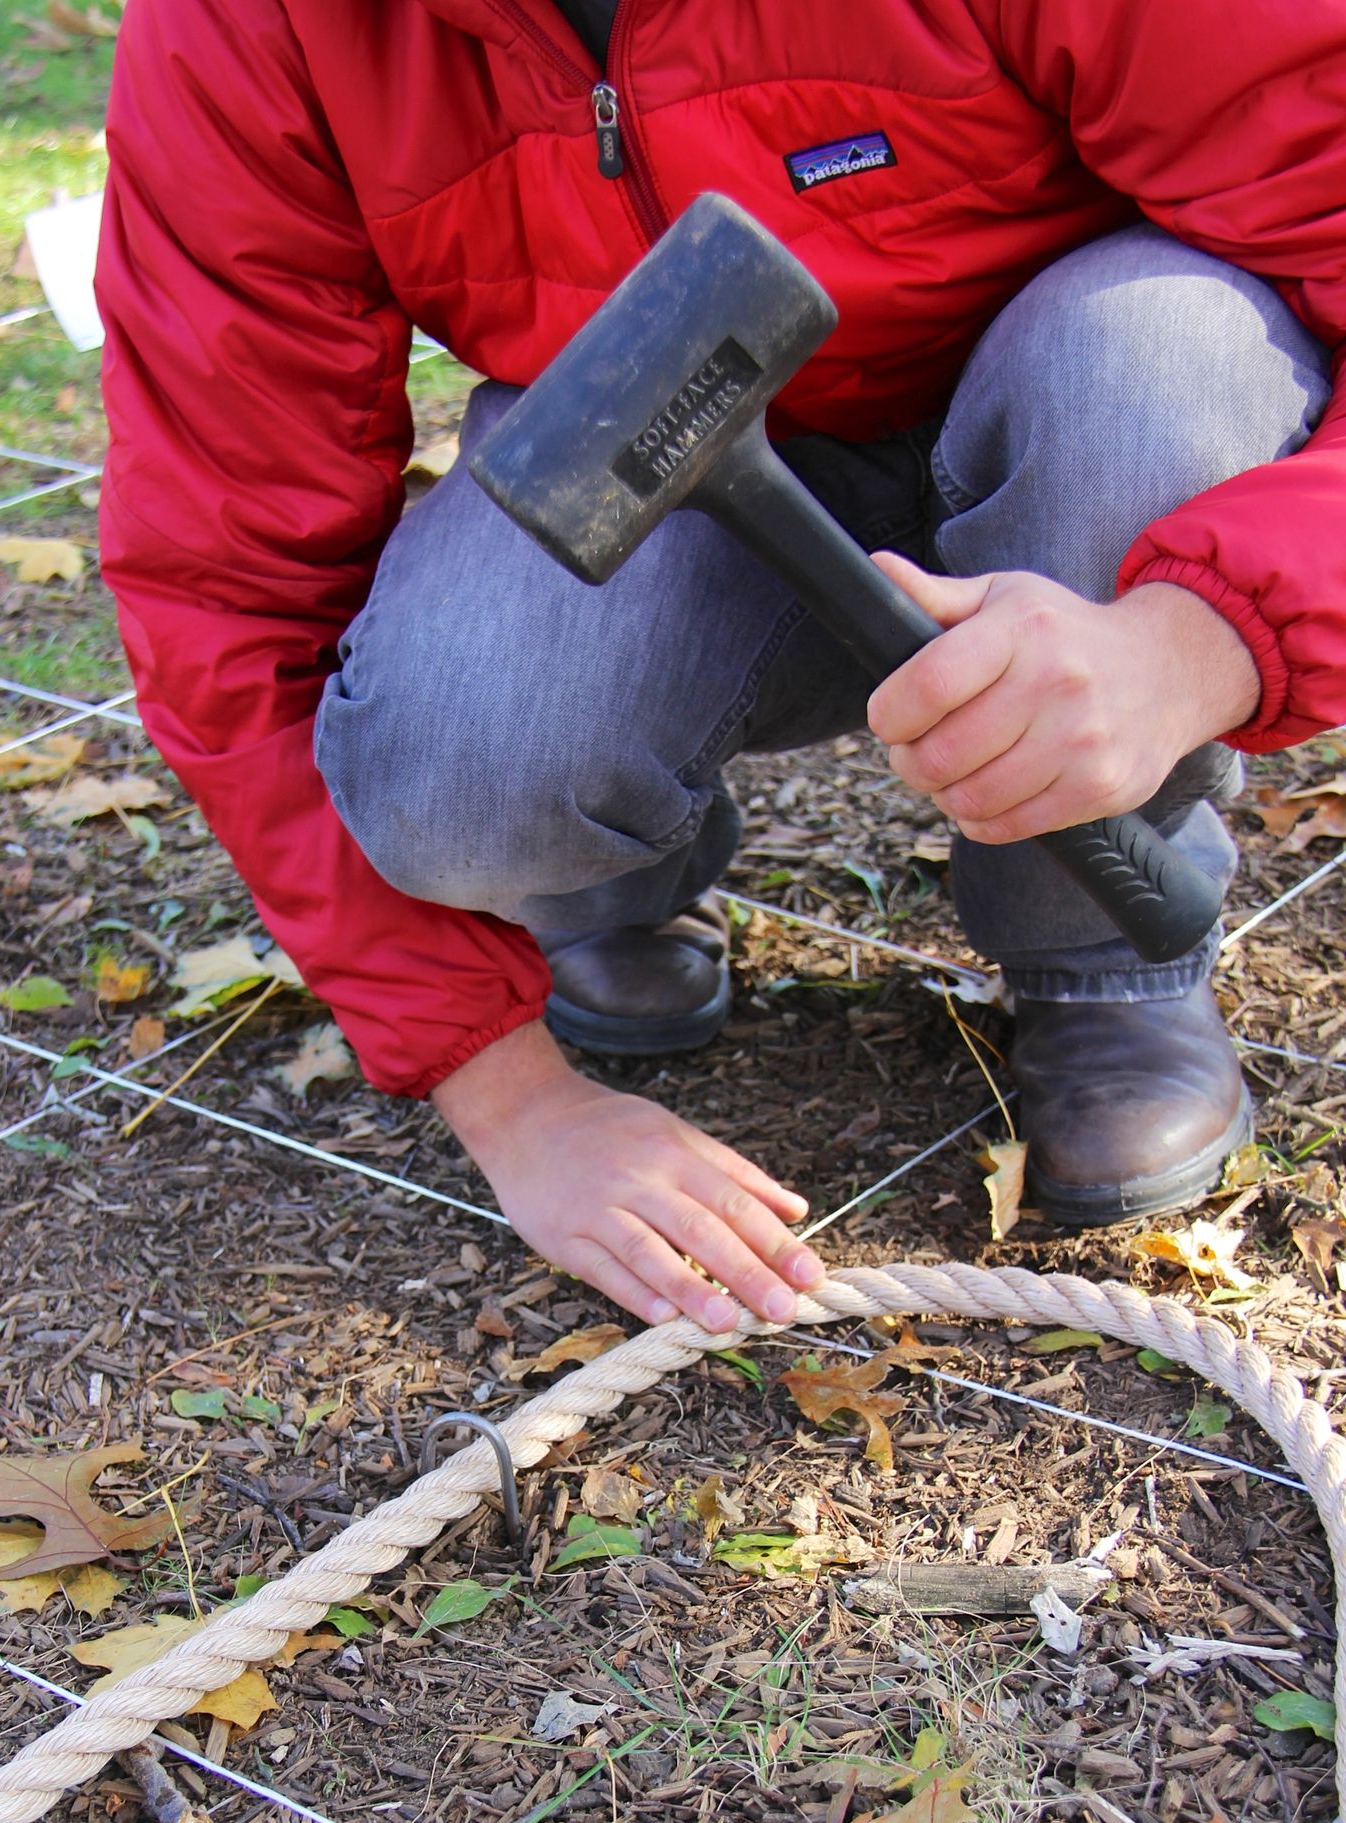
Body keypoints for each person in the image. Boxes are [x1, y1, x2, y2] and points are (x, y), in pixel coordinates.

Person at [96, 0, 1346, 1335]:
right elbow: (221, 581)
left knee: (1156, 358)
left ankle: (1099, 956)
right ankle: (603, 889)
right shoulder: (251, 25)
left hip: (1067, 412)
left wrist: (1195, 641)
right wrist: (514, 1102)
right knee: (453, 754)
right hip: (671, 447)